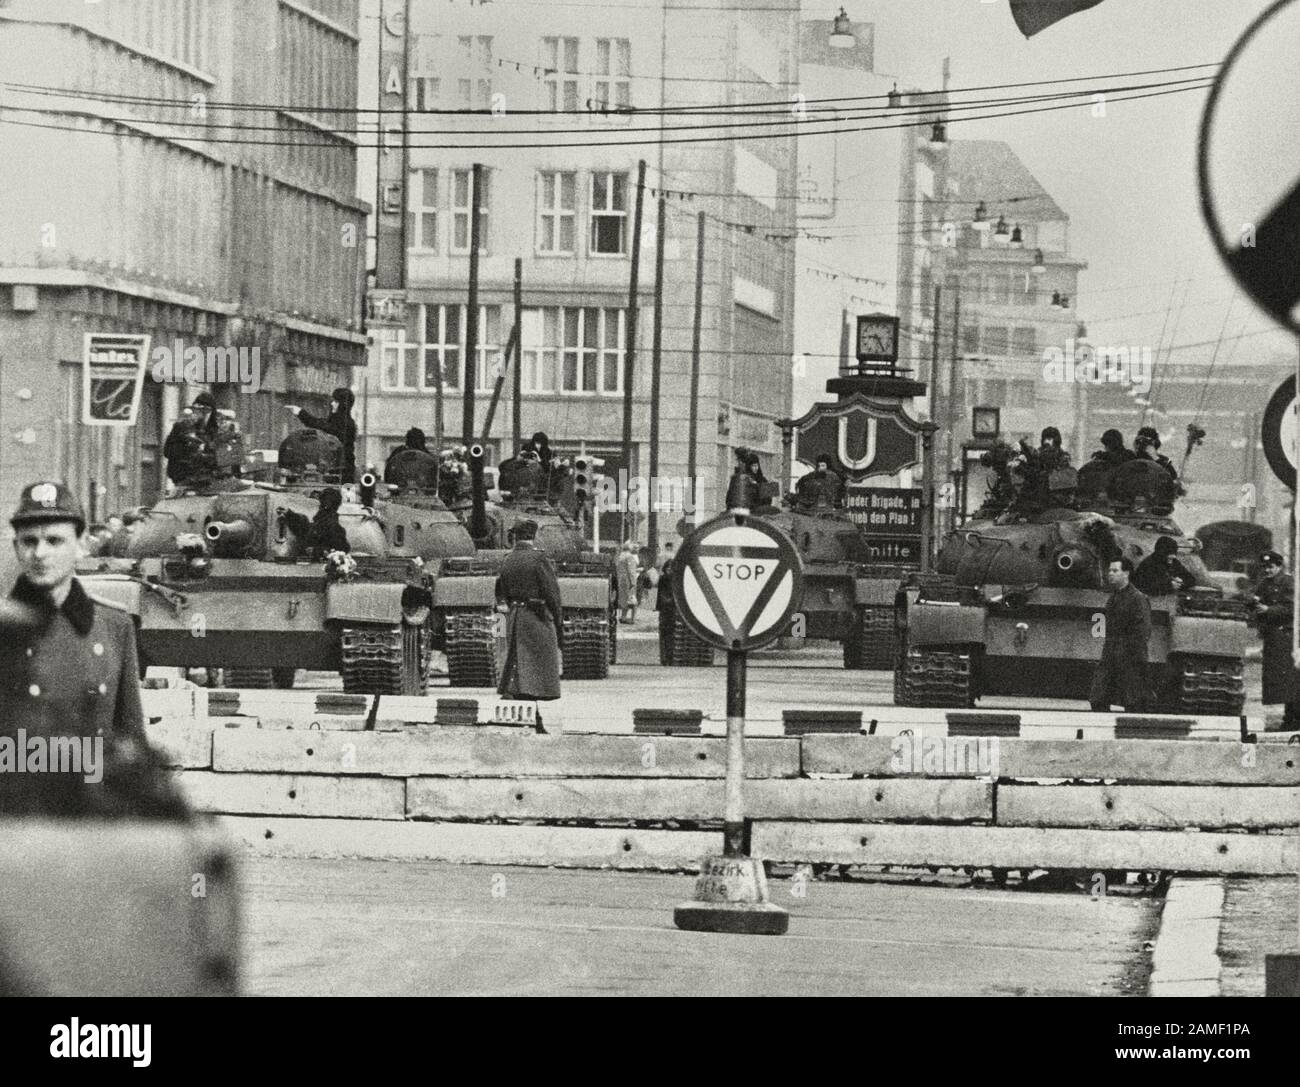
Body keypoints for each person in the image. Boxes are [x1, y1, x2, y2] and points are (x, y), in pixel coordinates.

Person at [0, 482, 189, 820]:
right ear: (16, 548)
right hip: (13, 817)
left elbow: (130, 734)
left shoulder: (113, 625)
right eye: (29, 541)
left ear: (81, 547)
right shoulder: (6, 629)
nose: (40, 553)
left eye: (54, 540)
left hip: (91, 815)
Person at [495, 519, 562, 723]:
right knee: (537, 664)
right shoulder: (539, 559)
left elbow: (501, 590)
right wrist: (557, 619)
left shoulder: (508, 559)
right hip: (537, 617)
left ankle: (521, 705)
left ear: (515, 537)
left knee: (517, 660)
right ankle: (532, 710)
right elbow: (552, 593)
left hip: (515, 615)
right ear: (533, 536)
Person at [1089, 556, 1153, 712]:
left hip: (1130, 655)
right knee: (1098, 700)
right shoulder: (1113, 599)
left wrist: (1133, 653)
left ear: (1126, 573)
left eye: (1115, 570)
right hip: (1112, 652)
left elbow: (1143, 630)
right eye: (1109, 570)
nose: (1110, 573)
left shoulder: (1138, 598)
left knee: (1133, 703)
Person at [1249, 550, 1299, 728]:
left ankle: (1293, 718)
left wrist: (1269, 610)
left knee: (1291, 679)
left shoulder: (1288, 582)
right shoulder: (1264, 583)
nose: (1267, 570)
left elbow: (1293, 607)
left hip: (1286, 636)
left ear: (1279, 566)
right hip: (1272, 638)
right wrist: (1253, 602)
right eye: (1265, 567)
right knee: (1280, 681)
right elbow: (1255, 600)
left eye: (1271, 567)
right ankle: (1289, 718)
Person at [288, 387, 357, 483]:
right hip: (335, 471)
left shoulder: (346, 424)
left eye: (336, 402)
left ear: (343, 405)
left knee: (346, 497)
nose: (332, 404)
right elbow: (321, 423)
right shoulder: (338, 421)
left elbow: (322, 425)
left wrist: (301, 413)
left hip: (342, 474)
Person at [163, 392, 219, 485]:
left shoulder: (214, 429)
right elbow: (168, 451)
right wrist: (185, 443)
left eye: (207, 411)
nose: (203, 414)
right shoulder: (182, 427)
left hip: (209, 478)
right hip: (184, 477)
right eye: (199, 410)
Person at [281, 487, 351, 561]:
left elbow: (343, 549)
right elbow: (305, 527)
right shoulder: (321, 522)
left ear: (327, 505)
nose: (320, 506)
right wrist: (290, 514)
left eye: (322, 502)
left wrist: (317, 551)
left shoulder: (332, 525)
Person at [615, 540, 639, 624]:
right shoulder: (630, 557)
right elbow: (631, 571)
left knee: (624, 600)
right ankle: (633, 619)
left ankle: (623, 617)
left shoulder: (620, 556)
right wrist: (633, 582)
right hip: (628, 581)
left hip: (620, 580)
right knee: (633, 600)